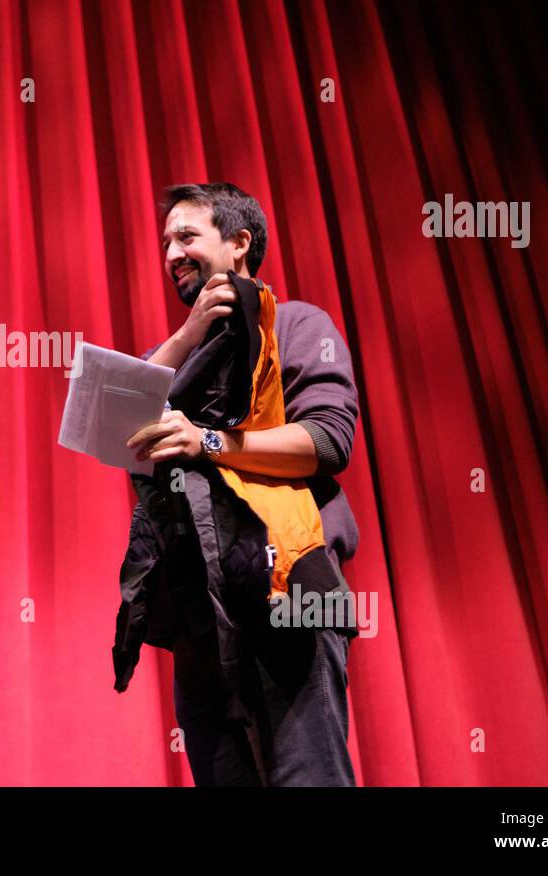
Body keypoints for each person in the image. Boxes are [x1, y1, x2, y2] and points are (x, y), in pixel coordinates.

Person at [115, 182, 360, 786]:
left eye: (187, 236)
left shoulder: (299, 322)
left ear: (239, 243)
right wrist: (189, 335)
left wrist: (211, 442)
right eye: (165, 241)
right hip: (201, 611)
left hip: (287, 588)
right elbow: (121, 424)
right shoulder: (177, 356)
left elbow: (328, 440)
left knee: (310, 780)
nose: (170, 252)